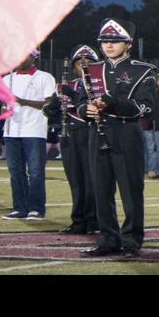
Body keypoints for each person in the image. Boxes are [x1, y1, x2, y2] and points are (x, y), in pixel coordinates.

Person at [81, 19, 159, 258]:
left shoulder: (143, 70)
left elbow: (146, 107)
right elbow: (81, 102)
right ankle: (108, 239)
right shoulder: (92, 70)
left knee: (130, 190)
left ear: (128, 44)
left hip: (126, 133)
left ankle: (131, 240)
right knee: (101, 190)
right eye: (104, 41)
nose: (109, 45)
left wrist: (114, 103)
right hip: (97, 133)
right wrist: (86, 110)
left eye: (115, 41)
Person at [1, 52, 56, 220]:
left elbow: (50, 103)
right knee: (15, 172)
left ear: (34, 57)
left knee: (35, 172)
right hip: (11, 130)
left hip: (34, 130)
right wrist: (4, 108)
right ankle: (19, 208)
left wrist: (22, 101)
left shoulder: (45, 77)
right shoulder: (7, 79)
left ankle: (36, 209)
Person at [54, 46, 102, 229]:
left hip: (90, 133)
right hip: (69, 135)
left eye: (88, 62)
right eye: (80, 63)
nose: (84, 66)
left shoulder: (100, 85)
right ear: (74, 67)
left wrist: (73, 96)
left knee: (91, 179)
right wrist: (52, 107)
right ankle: (78, 221)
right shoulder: (68, 85)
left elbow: (93, 107)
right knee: (75, 180)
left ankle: (93, 220)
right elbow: (55, 109)